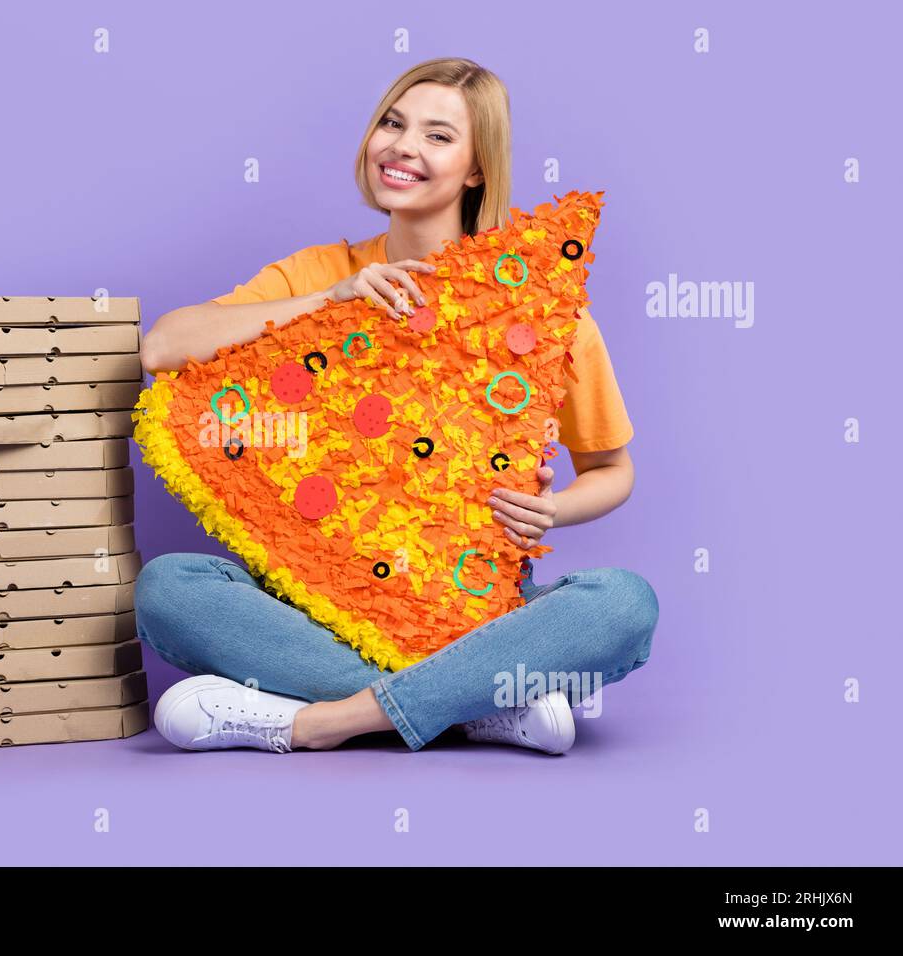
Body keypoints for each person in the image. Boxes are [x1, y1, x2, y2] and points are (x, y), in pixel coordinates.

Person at [134, 57, 658, 756]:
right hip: (310, 605)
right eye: (392, 123)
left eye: (439, 136)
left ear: (477, 169)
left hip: (472, 608)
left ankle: (318, 721)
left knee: (624, 605)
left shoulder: (541, 310)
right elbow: (164, 346)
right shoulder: (318, 271)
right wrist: (334, 299)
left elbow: (611, 469)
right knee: (170, 588)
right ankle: (479, 704)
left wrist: (555, 508)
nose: (404, 146)